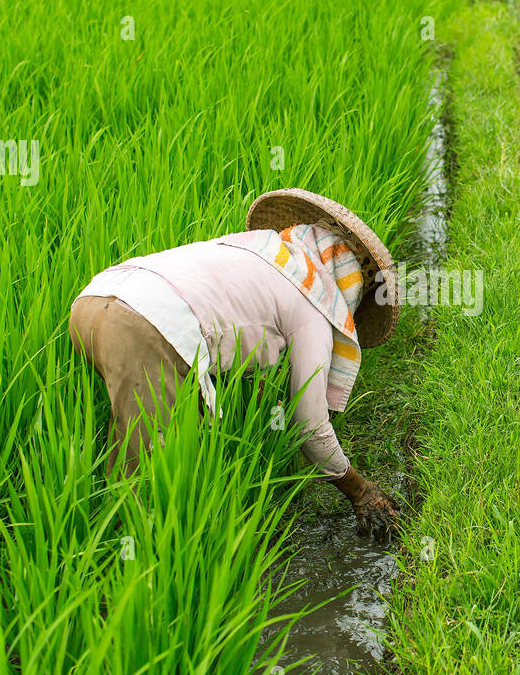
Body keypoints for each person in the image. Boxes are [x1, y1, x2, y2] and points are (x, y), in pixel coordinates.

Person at [68, 188, 400, 535]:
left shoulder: (250, 252)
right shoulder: (314, 304)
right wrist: (360, 492)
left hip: (93, 303)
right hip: (146, 327)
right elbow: (309, 425)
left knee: (137, 442)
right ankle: (132, 567)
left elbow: (231, 337)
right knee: (162, 476)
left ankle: (112, 546)